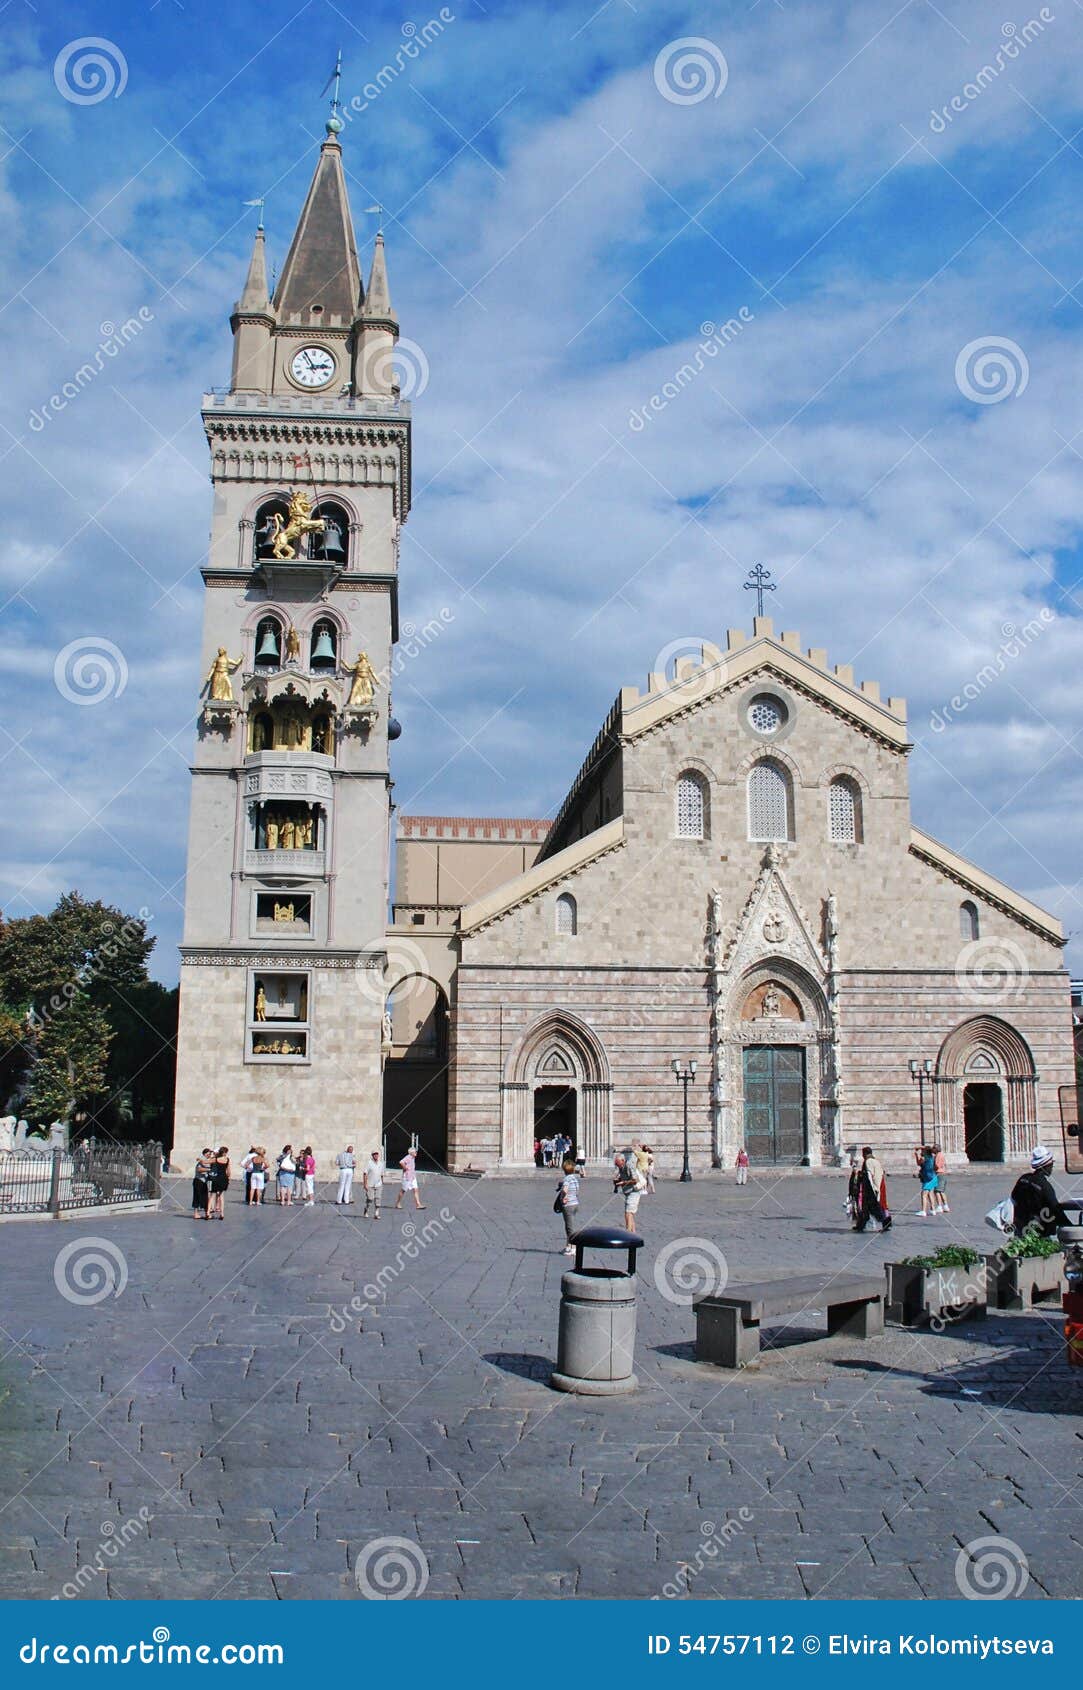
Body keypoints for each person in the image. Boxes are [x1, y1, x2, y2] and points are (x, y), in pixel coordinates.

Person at [1011, 1146, 1075, 1238]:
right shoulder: (1045, 1186)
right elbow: (1055, 1209)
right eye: (1051, 1164)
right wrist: (1070, 1227)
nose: (1052, 1167)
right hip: (1039, 1232)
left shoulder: (1023, 1179)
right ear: (1046, 1166)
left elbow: (1014, 1197)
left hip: (1021, 1227)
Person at [854, 1145, 891, 1232]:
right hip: (880, 1184)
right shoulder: (876, 1161)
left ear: (865, 1154)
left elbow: (869, 1175)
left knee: (870, 1206)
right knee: (878, 1205)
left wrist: (871, 1187)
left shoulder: (868, 1162)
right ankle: (861, 1224)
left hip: (871, 1187)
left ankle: (884, 1223)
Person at [613, 1150, 646, 1232]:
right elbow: (624, 1177)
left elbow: (635, 1180)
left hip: (634, 1191)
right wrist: (618, 1181)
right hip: (628, 1191)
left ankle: (628, 1233)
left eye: (618, 1164)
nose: (618, 1166)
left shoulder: (629, 1166)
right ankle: (633, 1234)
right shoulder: (621, 1166)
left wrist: (623, 1182)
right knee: (630, 1214)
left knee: (628, 1213)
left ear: (623, 1161)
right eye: (616, 1165)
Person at [557, 1156, 580, 1254]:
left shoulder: (567, 1179)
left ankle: (573, 1248)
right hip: (575, 1203)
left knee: (570, 1227)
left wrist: (563, 1198)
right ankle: (568, 1246)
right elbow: (577, 1191)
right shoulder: (575, 1179)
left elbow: (565, 1190)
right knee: (569, 1226)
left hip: (568, 1205)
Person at [914, 1144, 938, 1218]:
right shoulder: (932, 1156)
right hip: (933, 1177)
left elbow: (918, 1163)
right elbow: (928, 1148)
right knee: (930, 1193)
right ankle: (933, 1210)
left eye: (923, 1150)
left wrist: (916, 1155)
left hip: (928, 1178)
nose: (922, 1151)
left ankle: (923, 1211)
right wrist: (920, 1147)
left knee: (924, 1194)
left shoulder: (924, 1157)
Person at [207, 1146, 230, 1220]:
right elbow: (229, 1172)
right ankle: (222, 1214)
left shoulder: (215, 1159)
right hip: (224, 1178)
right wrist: (228, 1179)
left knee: (212, 1195)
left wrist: (200, 1160)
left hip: (216, 1178)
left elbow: (206, 1162)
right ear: (225, 1153)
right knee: (221, 1196)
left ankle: (208, 1212)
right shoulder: (227, 1160)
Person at [192, 1148, 213, 1220]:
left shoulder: (205, 1160)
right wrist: (209, 1170)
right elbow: (199, 1169)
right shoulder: (203, 1160)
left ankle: (196, 1213)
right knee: (203, 1198)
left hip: (200, 1181)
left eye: (211, 1153)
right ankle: (206, 1214)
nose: (210, 1154)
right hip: (200, 1181)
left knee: (197, 1197)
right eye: (209, 1153)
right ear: (205, 1153)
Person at [362, 1150, 384, 1219]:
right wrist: (365, 1184)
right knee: (370, 1198)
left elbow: (382, 1174)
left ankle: (376, 1213)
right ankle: (366, 1209)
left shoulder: (381, 1163)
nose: (376, 1155)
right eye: (374, 1154)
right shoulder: (369, 1163)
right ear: (372, 1155)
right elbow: (365, 1174)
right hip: (370, 1184)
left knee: (378, 1198)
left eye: (377, 1154)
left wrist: (382, 1183)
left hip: (378, 1184)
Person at [932, 1144, 950, 1214]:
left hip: (939, 1174)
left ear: (936, 1149)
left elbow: (937, 1166)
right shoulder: (941, 1154)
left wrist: (932, 1168)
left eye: (933, 1148)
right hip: (943, 1173)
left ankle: (939, 1206)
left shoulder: (938, 1155)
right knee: (941, 1191)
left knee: (937, 1191)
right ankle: (945, 1206)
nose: (932, 1150)